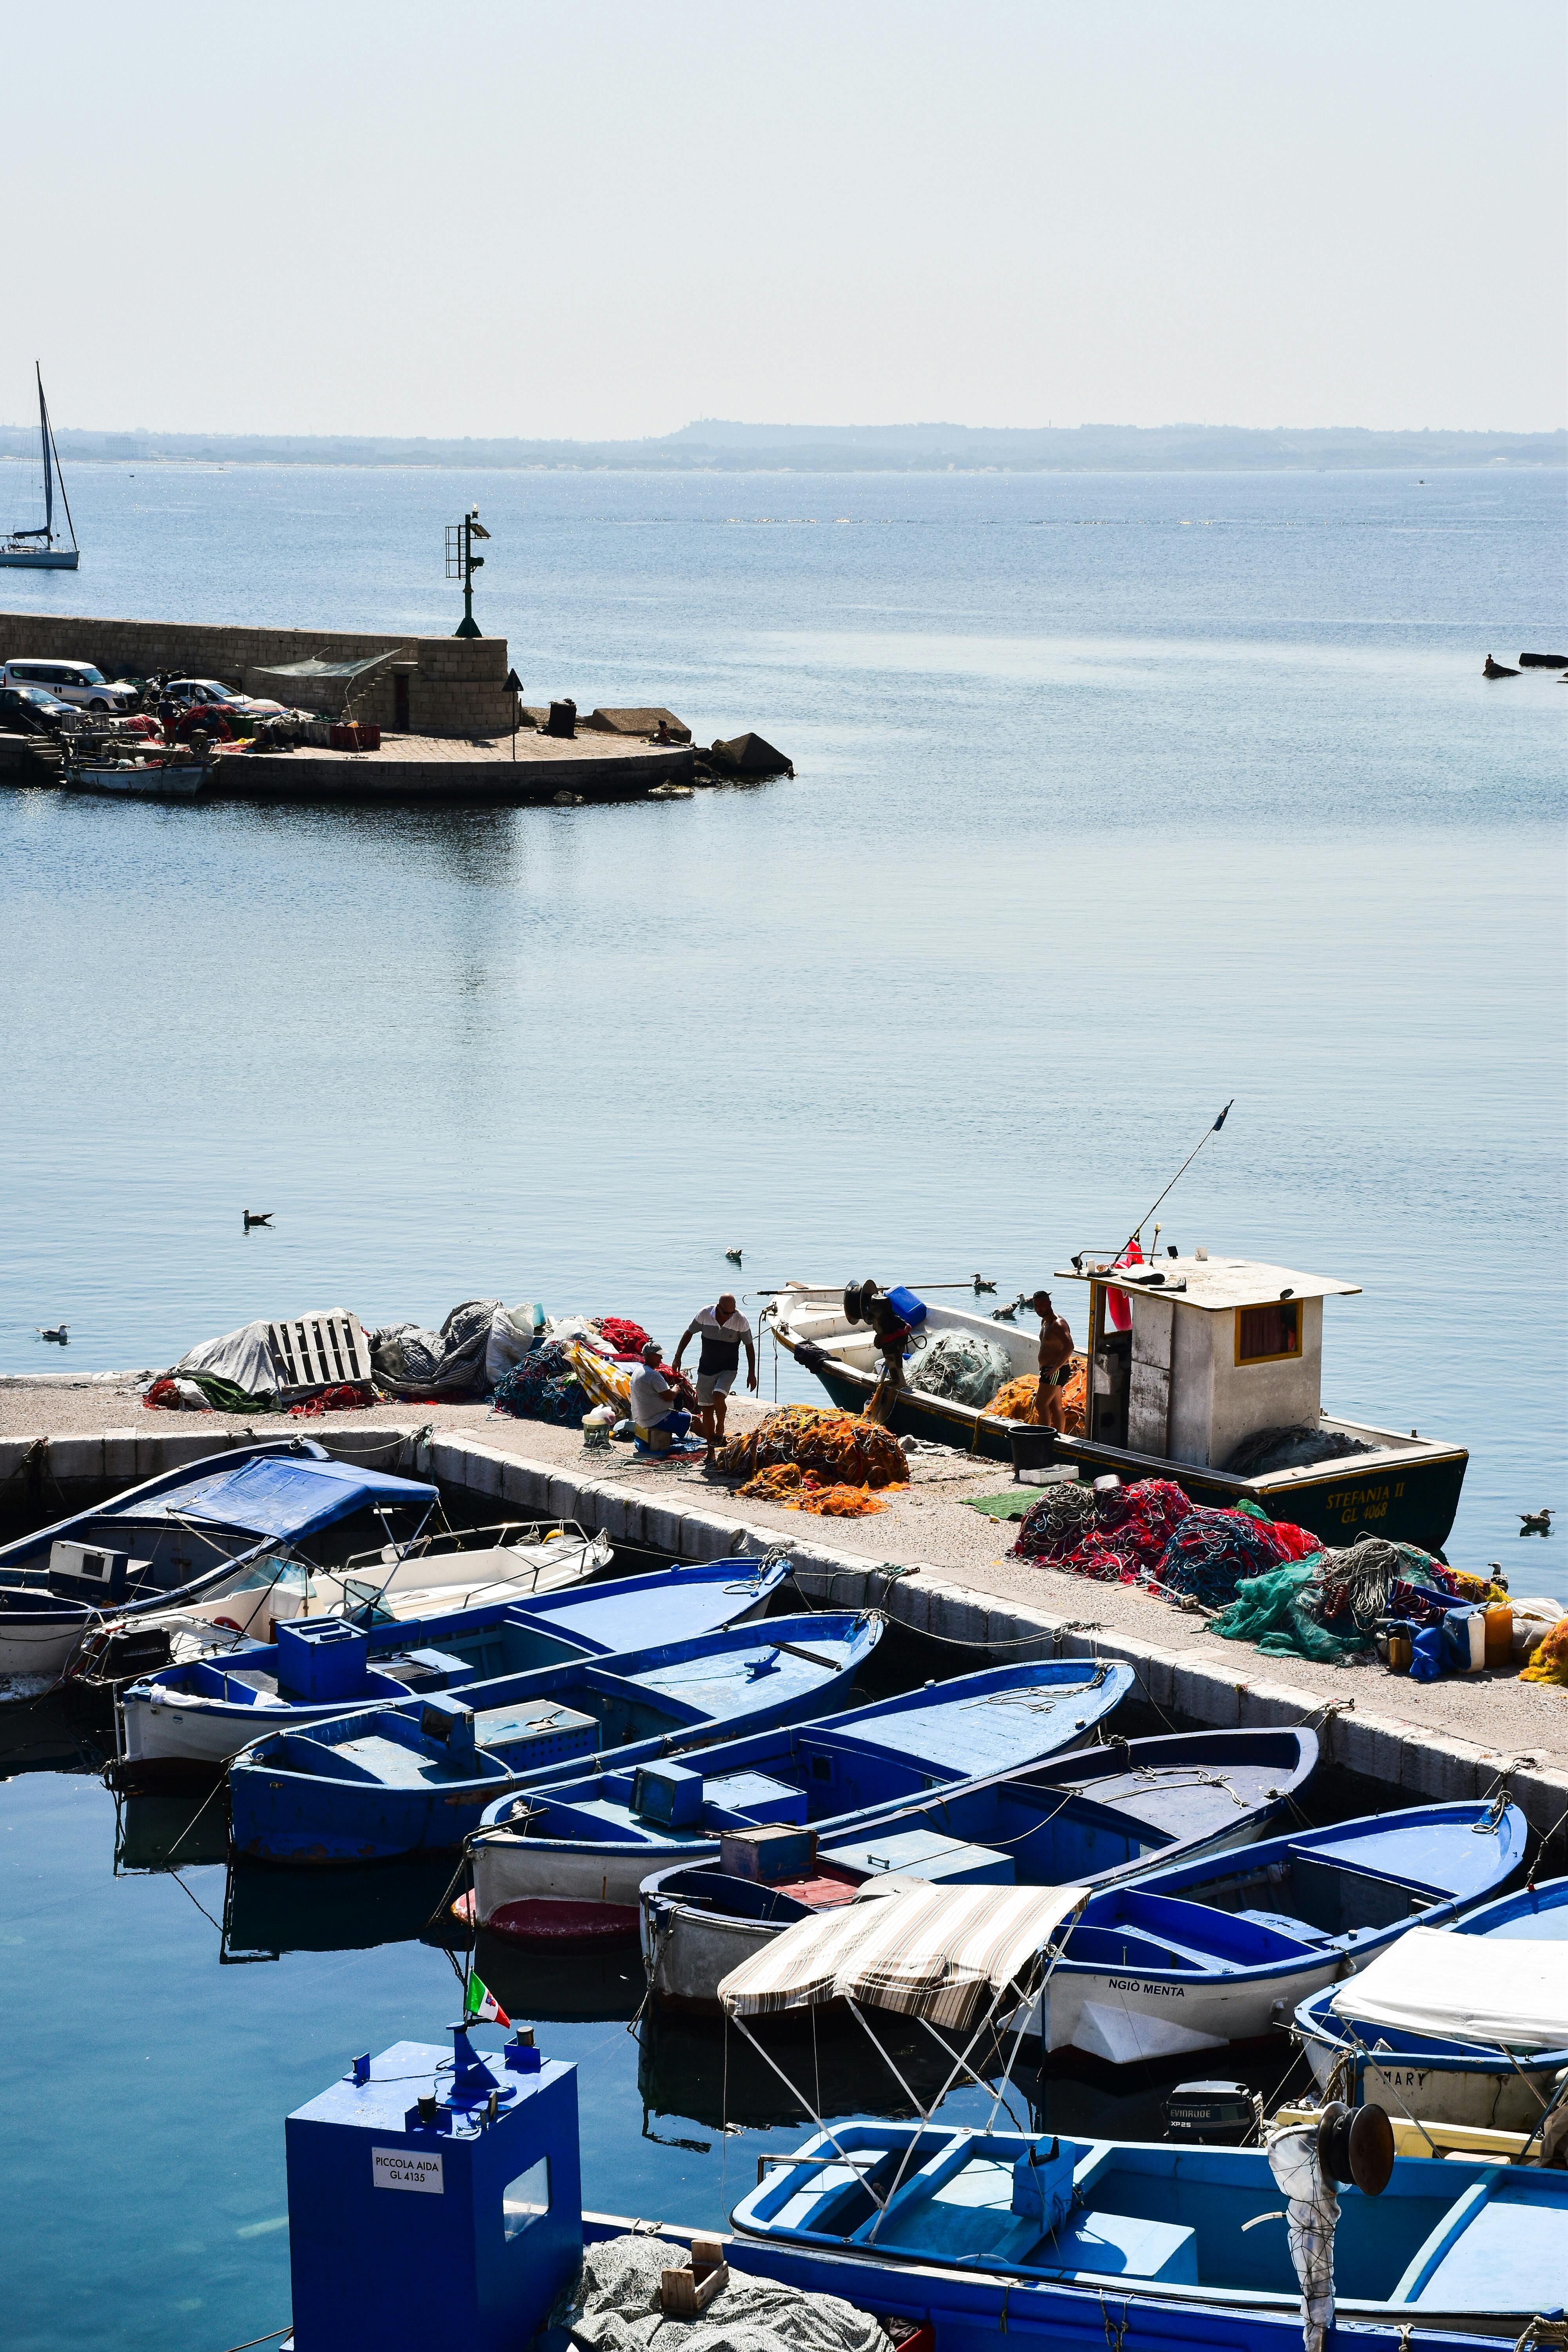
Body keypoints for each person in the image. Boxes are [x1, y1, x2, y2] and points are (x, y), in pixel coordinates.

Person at [673, 1293, 757, 1463]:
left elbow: (749, 1346)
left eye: (732, 1313)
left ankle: (721, 1427)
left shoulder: (740, 1319)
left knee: (718, 1395)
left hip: (728, 1368)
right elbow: (689, 1333)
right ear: (718, 1308)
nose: (730, 1316)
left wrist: (752, 1373)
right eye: (727, 1313)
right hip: (706, 1368)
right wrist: (678, 1356)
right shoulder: (705, 1314)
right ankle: (711, 1451)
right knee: (707, 1411)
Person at [628, 1341, 692, 1454]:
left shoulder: (638, 1371)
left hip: (641, 1417)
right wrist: (676, 1390)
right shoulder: (653, 1375)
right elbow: (669, 1397)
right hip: (654, 1419)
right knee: (693, 1420)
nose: (661, 1358)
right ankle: (712, 1441)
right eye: (659, 1356)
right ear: (651, 1356)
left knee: (684, 1416)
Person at [1032, 1290, 1076, 1430]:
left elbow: (1070, 1346)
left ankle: (1044, 1438)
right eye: (1036, 1306)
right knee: (1055, 1406)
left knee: (1041, 1405)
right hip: (1050, 1370)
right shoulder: (1045, 1322)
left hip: (1055, 1370)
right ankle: (1059, 1437)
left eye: (1042, 1305)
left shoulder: (1058, 1324)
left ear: (1049, 1304)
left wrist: (1055, 1368)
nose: (1039, 1309)